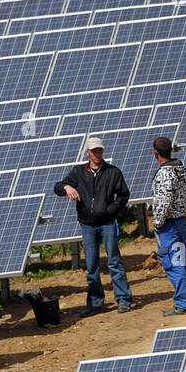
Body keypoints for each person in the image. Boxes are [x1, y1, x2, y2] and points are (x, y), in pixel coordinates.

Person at [54, 135, 134, 315]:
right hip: (87, 226)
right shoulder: (78, 172)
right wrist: (67, 188)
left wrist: (109, 211)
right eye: (94, 151)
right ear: (87, 152)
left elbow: (123, 195)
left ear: (103, 151)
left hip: (107, 224)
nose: (98, 153)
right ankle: (95, 303)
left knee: (114, 262)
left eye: (100, 150)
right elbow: (58, 186)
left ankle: (123, 299)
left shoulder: (113, 172)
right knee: (92, 266)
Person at [150, 135, 186, 315]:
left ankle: (183, 303)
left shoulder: (164, 174)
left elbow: (164, 200)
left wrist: (157, 223)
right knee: (182, 261)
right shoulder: (181, 167)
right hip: (180, 221)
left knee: (173, 263)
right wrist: (184, 205)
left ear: (156, 153)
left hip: (169, 225)